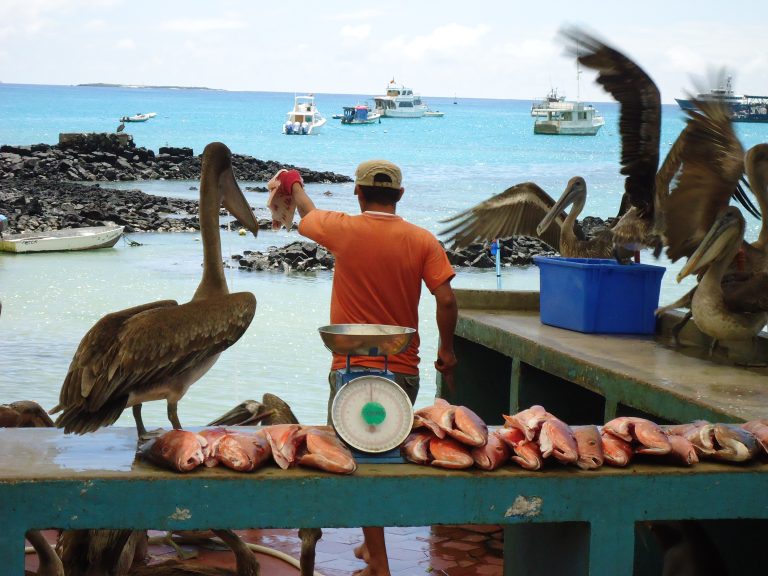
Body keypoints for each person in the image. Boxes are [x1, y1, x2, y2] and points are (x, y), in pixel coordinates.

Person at [271, 161, 458, 576]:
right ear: (400, 195)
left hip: (348, 367)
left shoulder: (342, 229)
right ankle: (373, 549)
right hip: (403, 370)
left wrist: (293, 183)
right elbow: (446, 299)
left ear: (357, 192)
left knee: (360, 464)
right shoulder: (422, 240)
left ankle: (380, 564)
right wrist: (447, 351)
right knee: (380, 455)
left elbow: (307, 212)